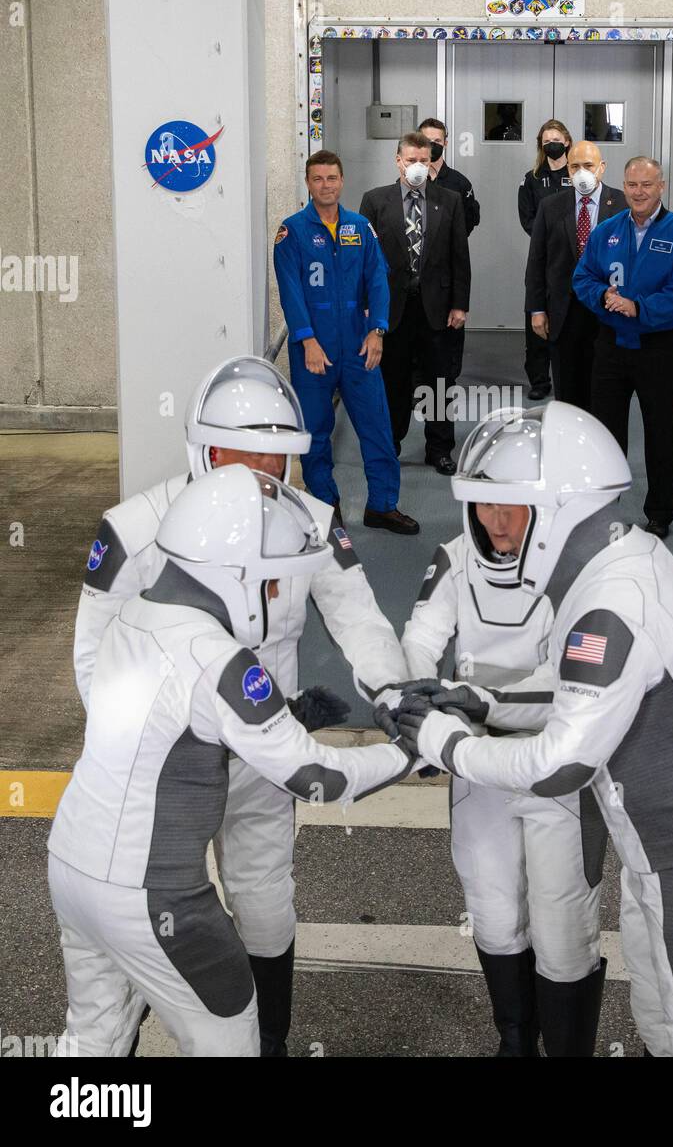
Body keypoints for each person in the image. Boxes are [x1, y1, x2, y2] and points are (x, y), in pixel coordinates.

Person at [390, 403, 673, 1058]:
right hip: (663, 858)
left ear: (557, 510)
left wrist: (448, 744)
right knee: (662, 1027)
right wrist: (479, 700)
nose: (493, 525)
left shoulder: (607, 607)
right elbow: (584, 699)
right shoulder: (625, 562)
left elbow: (559, 766)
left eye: (509, 506)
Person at [74, 355, 410, 1055]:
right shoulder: (134, 529)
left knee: (263, 898)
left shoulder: (311, 521)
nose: (266, 476)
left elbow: (360, 620)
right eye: (248, 456)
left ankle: (272, 1042)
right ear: (205, 450)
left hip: (267, 753)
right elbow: (91, 660)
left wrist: (399, 701)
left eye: (281, 459)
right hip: (161, 771)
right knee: (139, 922)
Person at [395, 505, 608, 1057]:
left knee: (564, 933)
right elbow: (419, 639)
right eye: (485, 507)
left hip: (557, 772)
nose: (499, 524)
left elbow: (568, 684)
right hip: (476, 766)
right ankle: (515, 1041)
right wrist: (423, 695)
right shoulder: (455, 556)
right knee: (492, 918)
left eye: (511, 509)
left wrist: (478, 700)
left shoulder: (574, 566)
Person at [273, 150, 418, 535]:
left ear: (342, 181)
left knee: (377, 429)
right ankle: (325, 504)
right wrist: (306, 341)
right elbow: (291, 294)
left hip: (358, 349)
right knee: (317, 433)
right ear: (307, 183)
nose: (326, 186)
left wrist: (378, 330)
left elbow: (378, 281)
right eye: (318, 179)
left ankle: (383, 506)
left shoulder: (360, 228)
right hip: (314, 354)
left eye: (332, 178)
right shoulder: (292, 233)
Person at [573, 156, 673, 539]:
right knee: (607, 432)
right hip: (611, 347)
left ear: (661, 186)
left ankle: (661, 512)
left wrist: (639, 307)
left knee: (661, 432)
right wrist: (603, 295)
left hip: (657, 348)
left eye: (646, 185)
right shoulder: (607, 231)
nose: (638, 192)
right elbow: (582, 276)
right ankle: (603, 507)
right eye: (632, 185)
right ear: (624, 186)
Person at [359, 132, 471, 476]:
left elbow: (459, 256)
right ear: (398, 161)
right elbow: (364, 260)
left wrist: (459, 305)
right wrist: (366, 305)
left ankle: (439, 448)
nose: (418, 167)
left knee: (439, 381)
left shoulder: (449, 200)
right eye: (411, 161)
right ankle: (391, 442)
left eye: (424, 160)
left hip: (436, 307)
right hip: (391, 309)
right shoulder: (375, 201)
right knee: (393, 380)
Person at [525, 141, 626, 410]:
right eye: (575, 166)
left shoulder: (622, 205)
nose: (582, 172)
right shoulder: (550, 206)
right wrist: (536, 309)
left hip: (608, 312)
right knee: (568, 394)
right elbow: (537, 262)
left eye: (588, 166)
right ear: (568, 170)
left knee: (605, 393)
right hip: (563, 312)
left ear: (601, 168)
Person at [419, 116, 479, 381]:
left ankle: (447, 382)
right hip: (416, 272)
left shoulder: (458, 183)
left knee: (449, 334)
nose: (432, 145)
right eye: (426, 141)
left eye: (437, 141)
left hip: (446, 270)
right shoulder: (410, 179)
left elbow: (470, 220)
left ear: (445, 142)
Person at [517, 120, 573, 400]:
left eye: (557, 138)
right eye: (546, 139)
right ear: (541, 144)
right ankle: (539, 380)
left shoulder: (577, 174)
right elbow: (527, 217)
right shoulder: (532, 179)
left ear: (567, 142)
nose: (552, 143)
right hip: (542, 257)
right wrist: (546, 238)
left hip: (573, 258)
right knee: (536, 318)